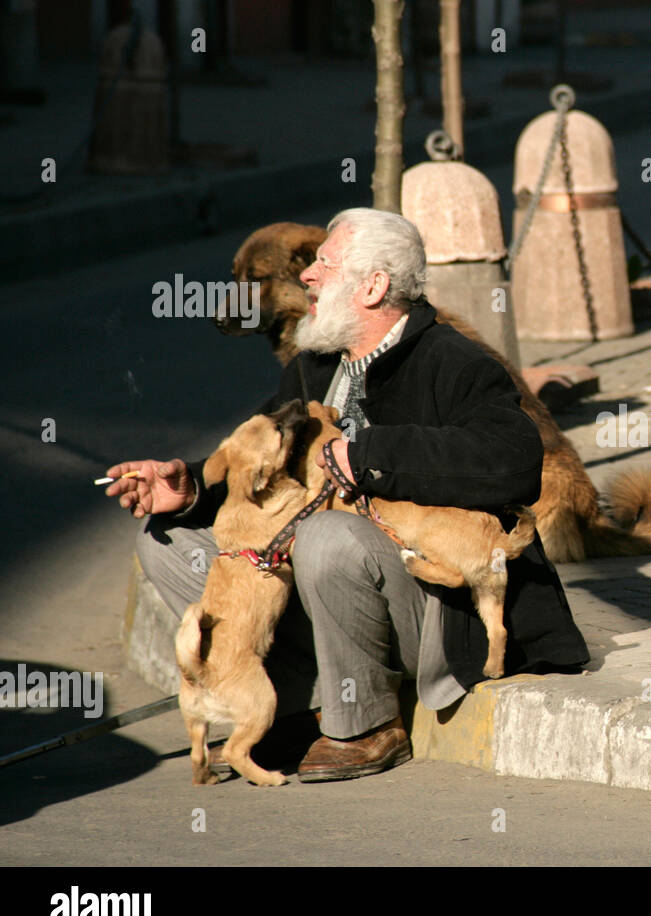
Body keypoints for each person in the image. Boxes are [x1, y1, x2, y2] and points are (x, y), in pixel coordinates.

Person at [107, 208, 589, 782]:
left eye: (325, 266)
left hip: (432, 602)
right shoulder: (317, 365)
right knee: (165, 541)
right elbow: (263, 469)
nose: (308, 276)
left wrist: (370, 458)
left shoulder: (452, 361)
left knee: (327, 536)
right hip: (332, 587)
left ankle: (367, 724)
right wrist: (188, 488)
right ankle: (289, 702)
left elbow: (511, 461)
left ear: (374, 285)